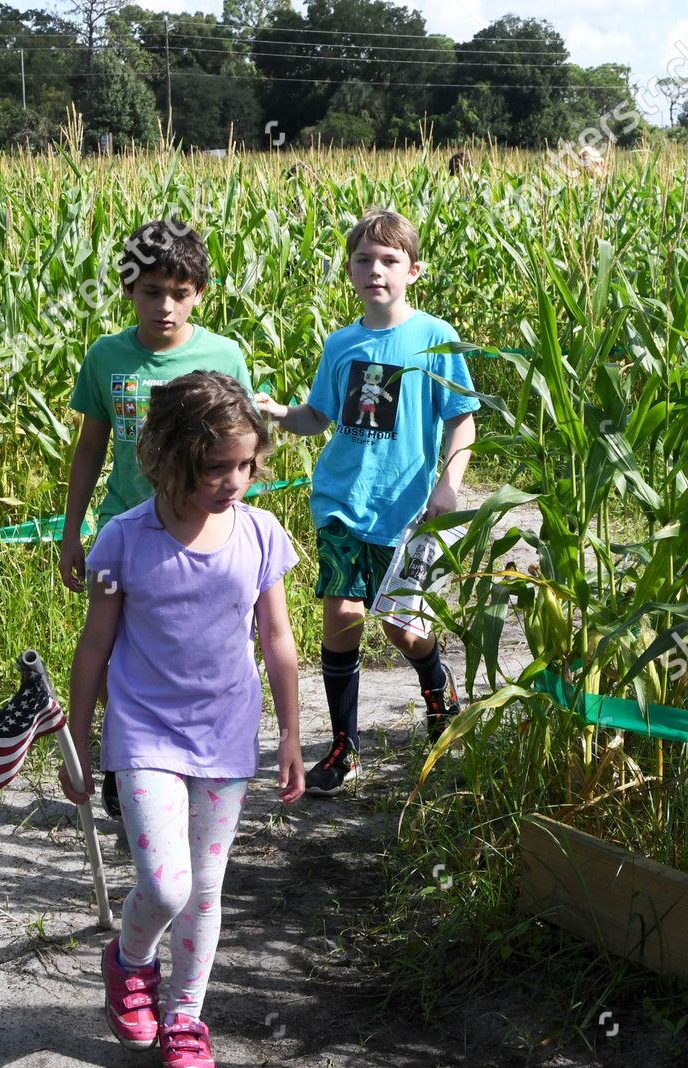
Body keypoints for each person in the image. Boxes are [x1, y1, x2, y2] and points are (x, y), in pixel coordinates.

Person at [58, 371, 303, 1068]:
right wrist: (79, 737)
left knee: (207, 887)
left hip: (227, 735)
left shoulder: (260, 535)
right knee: (167, 884)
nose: (234, 481)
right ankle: (130, 960)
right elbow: (95, 644)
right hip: (143, 732)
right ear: (169, 456)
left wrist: (289, 732)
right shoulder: (121, 540)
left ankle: (185, 1018)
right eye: (215, 467)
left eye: (246, 466)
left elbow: (278, 638)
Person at [255, 208, 478, 797]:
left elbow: (462, 423)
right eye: (363, 260)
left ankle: (438, 689)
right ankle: (344, 749)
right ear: (349, 269)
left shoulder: (434, 339)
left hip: (408, 512)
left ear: (414, 270)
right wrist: (280, 414)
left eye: (389, 260)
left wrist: (448, 485)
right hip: (342, 502)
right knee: (344, 616)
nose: (375, 270)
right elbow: (318, 415)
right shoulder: (342, 343)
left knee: (403, 631)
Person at [59, 220, 253, 819]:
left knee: (195, 647)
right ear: (127, 291)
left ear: (199, 292)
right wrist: (73, 530)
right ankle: (126, 763)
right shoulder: (108, 357)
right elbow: (90, 447)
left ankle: (196, 761)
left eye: (179, 292)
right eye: (150, 292)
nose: (164, 306)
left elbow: (242, 445)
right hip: (123, 531)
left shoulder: (224, 355)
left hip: (201, 533)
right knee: (113, 644)